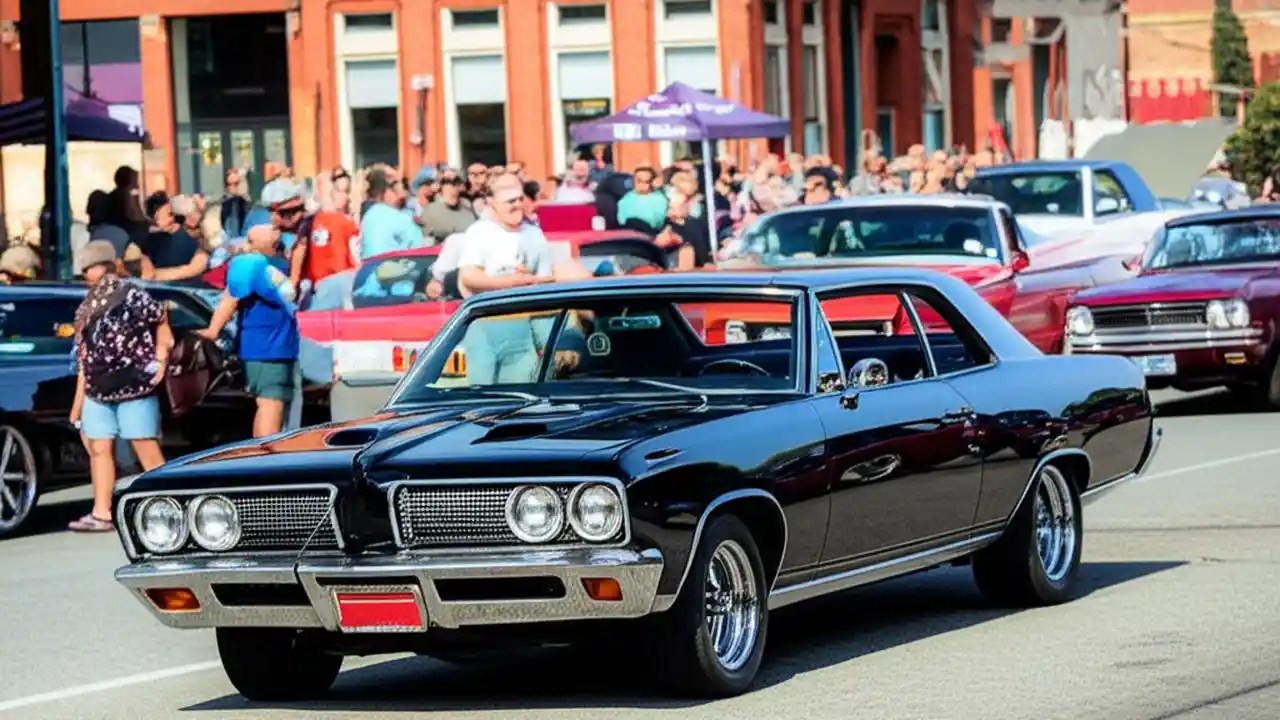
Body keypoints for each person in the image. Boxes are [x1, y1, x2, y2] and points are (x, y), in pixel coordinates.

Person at [68, 240, 172, 532]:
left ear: (107, 265)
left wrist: (161, 358)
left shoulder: (132, 293)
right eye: (85, 268)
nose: (89, 273)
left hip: (133, 384)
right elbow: (84, 355)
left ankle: (169, 507)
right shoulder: (88, 303)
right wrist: (77, 404)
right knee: (99, 449)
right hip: (96, 389)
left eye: (92, 267)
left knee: (144, 446)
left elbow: (160, 316)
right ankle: (102, 512)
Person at [198, 225, 300, 438]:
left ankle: (269, 458)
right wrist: (213, 330)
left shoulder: (273, 264)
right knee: (269, 404)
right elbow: (231, 298)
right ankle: (264, 459)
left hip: (278, 348)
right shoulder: (248, 264)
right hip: (265, 349)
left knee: (275, 406)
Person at [359, 166, 422, 260]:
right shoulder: (402, 219)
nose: (404, 190)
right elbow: (420, 254)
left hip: (368, 272)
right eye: (399, 184)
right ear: (386, 190)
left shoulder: (368, 217)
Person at [421, 174, 478, 242]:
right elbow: (428, 239)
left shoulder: (467, 208)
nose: (453, 187)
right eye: (448, 182)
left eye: (456, 183)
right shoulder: (431, 210)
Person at [616, 167, 668, 233]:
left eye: (646, 181)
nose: (642, 185)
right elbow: (622, 219)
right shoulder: (626, 197)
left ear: (652, 182)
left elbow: (658, 221)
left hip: (650, 232)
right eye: (639, 181)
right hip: (628, 232)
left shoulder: (659, 198)